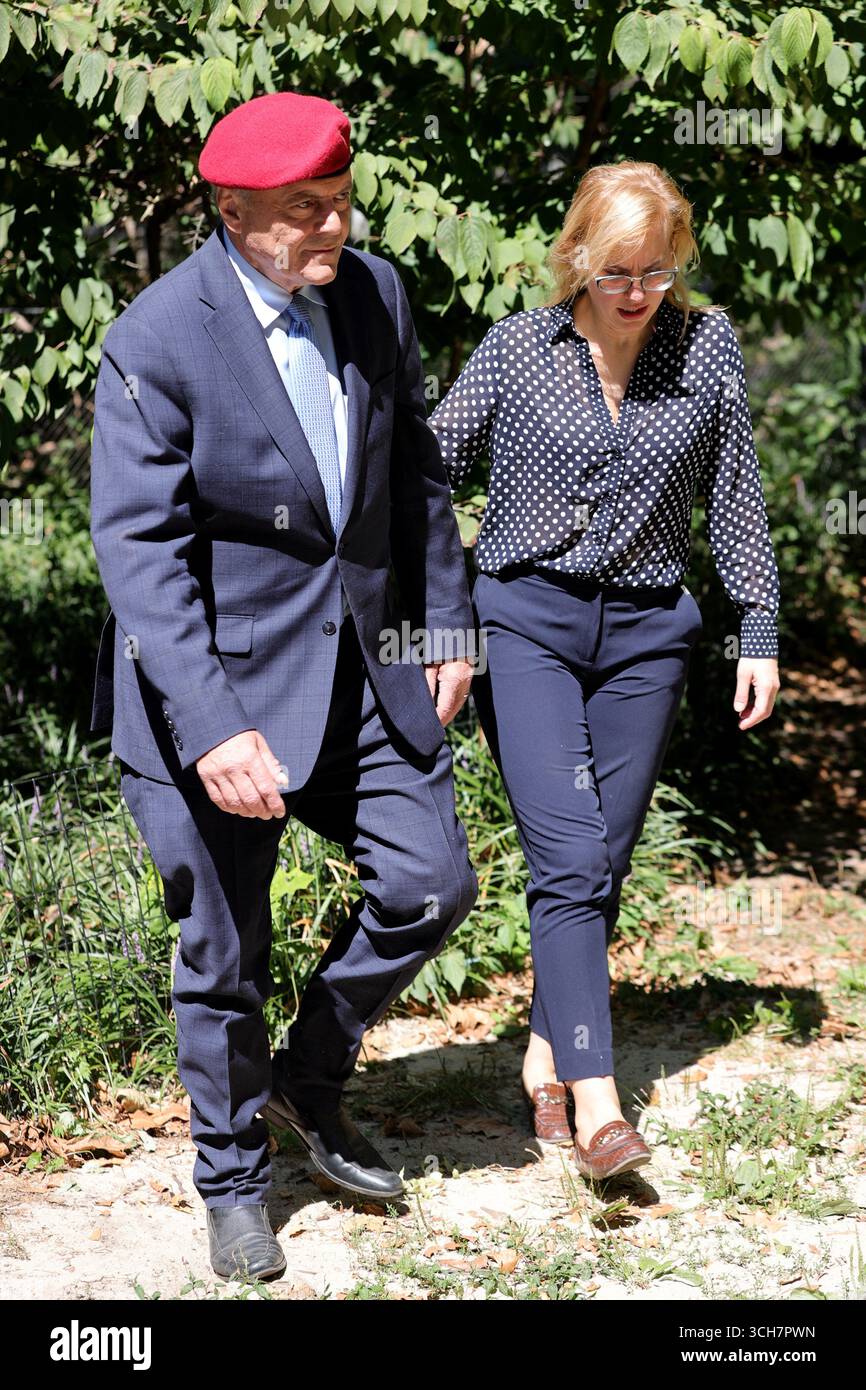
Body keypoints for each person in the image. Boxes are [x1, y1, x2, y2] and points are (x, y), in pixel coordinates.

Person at [89, 91, 478, 1281]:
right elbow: (142, 562)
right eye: (303, 210)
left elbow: (410, 468)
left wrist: (444, 619)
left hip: (363, 662)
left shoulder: (372, 291)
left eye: (341, 199)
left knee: (431, 883)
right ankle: (228, 1178)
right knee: (222, 954)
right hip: (209, 692)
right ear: (230, 211)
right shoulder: (156, 340)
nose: (332, 226)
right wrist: (212, 728)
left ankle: (305, 1081)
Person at [428, 161, 780, 1181]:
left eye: (658, 272)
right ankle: (597, 1105)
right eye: (618, 268)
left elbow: (735, 488)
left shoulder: (702, 346)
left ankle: (541, 1058)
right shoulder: (515, 350)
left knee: (599, 866)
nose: (636, 292)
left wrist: (756, 623)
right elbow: (424, 471)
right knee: (571, 858)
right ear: (578, 255)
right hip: (523, 621)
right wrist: (435, 601)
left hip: (645, 634)